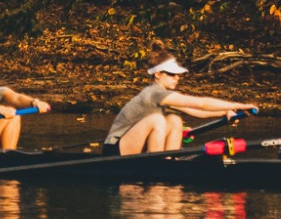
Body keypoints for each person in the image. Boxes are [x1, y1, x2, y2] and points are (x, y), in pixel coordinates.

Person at [102, 57, 258, 155]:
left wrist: (226, 112)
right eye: (171, 74)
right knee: (157, 119)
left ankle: (170, 160)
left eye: (178, 74)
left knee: (175, 119)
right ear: (157, 74)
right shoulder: (154, 93)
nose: (177, 78)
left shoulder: (165, 97)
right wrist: (241, 105)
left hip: (135, 147)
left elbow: (196, 111)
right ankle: (158, 165)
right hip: (114, 149)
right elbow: (202, 104)